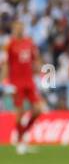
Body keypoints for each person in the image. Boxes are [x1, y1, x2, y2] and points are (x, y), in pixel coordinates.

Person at [3, 19, 46, 154]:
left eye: (21, 27)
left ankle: (22, 134)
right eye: (17, 27)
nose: (19, 30)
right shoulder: (10, 45)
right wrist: (4, 81)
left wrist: (43, 74)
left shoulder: (30, 43)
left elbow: (36, 61)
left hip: (29, 82)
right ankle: (21, 142)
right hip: (16, 83)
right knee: (19, 112)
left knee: (39, 109)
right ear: (13, 29)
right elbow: (6, 64)